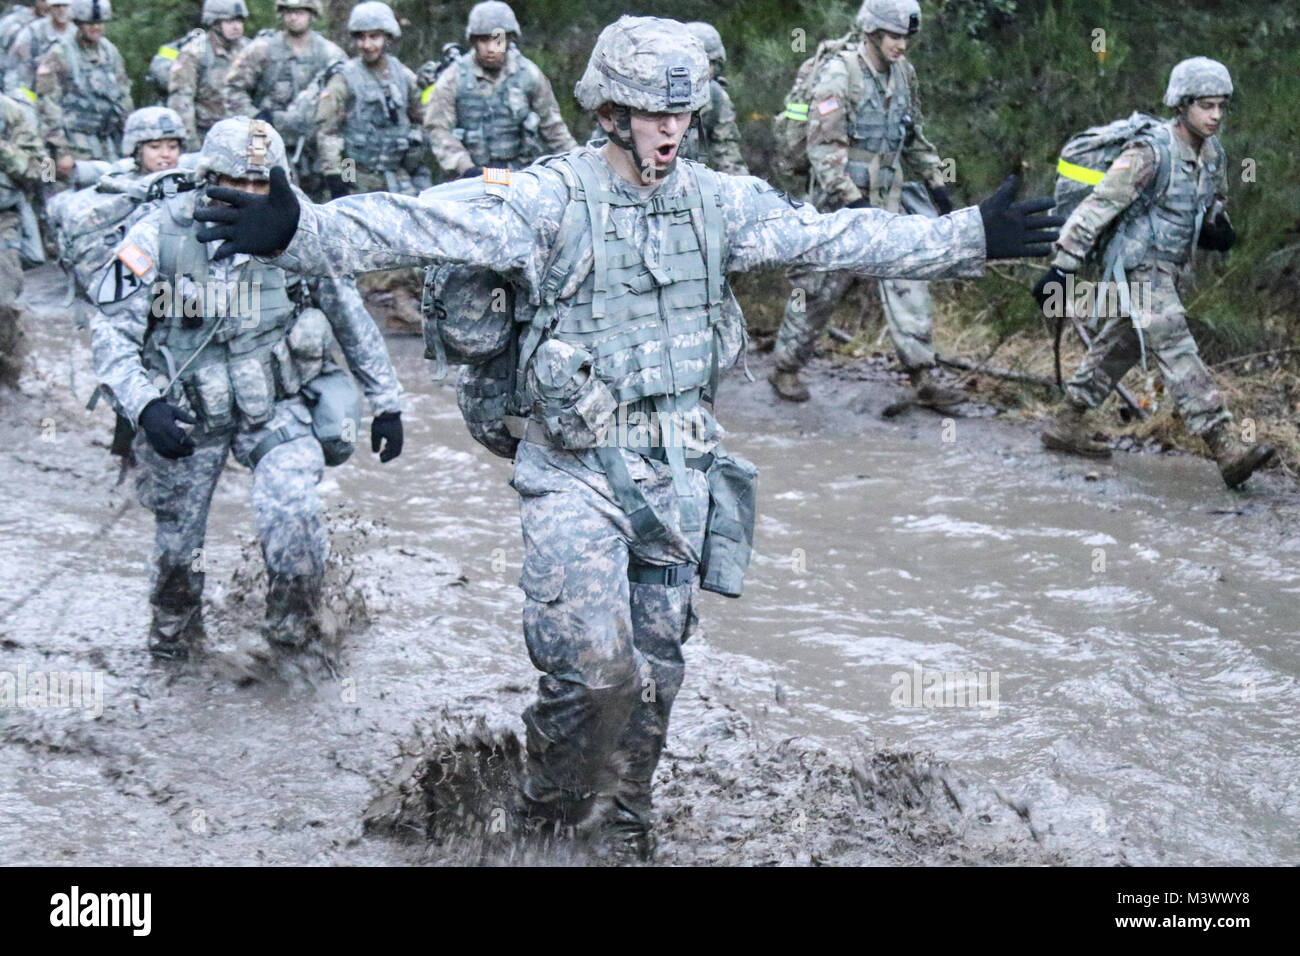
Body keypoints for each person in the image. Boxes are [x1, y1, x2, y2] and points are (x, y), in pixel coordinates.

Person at [193, 16, 1059, 857]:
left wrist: (966, 236)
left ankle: (622, 829)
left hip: (679, 470)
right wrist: (300, 229)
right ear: (610, 112)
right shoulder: (544, 201)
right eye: (653, 113)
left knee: (654, 679)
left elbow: (832, 232)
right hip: (572, 468)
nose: (671, 131)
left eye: (682, 114)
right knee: (592, 672)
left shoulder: (720, 204)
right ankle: (546, 815)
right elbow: (415, 220)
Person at [89, 117, 405, 663]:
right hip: (187, 416)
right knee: (177, 553)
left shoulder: (298, 229)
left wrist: (387, 403)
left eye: (264, 184)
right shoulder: (157, 233)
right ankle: (174, 648)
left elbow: (350, 316)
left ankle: (290, 643)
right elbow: (109, 331)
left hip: (274, 406)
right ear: (208, 176)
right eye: (239, 183)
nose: (253, 196)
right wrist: (146, 407)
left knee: (294, 517)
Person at [1035, 57, 1274, 489]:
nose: (1215, 115)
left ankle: (1066, 422)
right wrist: (1062, 266)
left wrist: (1218, 231)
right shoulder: (1148, 152)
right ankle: (1225, 446)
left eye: (1221, 106)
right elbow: (1099, 205)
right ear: (1182, 105)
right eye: (1206, 105)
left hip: (1170, 272)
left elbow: (1211, 207)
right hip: (1138, 272)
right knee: (1178, 349)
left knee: (1120, 347)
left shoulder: (1213, 154)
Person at [768, 0, 959, 407]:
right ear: (872, 33)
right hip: (842, 204)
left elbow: (914, 136)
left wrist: (936, 182)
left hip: (889, 201)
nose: (901, 46)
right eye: (893, 37)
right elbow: (822, 148)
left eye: (906, 37)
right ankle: (785, 366)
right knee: (819, 289)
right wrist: (851, 202)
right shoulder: (840, 75)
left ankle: (923, 374)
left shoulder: (904, 75)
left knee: (908, 280)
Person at [421, 0, 575, 178]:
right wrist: (465, 166)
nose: (491, 48)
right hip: (469, 176)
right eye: (483, 40)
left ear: (509, 39)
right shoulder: (453, 78)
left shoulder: (528, 74)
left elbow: (553, 127)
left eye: (498, 40)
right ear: (474, 41)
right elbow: (438, 129)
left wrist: (577, 161)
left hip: (519, 174)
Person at [223, 0, 344, 196]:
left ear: (312, 13)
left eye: (299, 12)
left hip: (316, 149)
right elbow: (233, 90)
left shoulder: (331, 54)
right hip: (267, 144)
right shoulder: (262, 49)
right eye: (288, 11)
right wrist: (256, 117)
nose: (293, 17)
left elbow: (344, 105)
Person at [316, 0, 423, 197]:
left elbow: (420, 117)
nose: (367, 45)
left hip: (397, 175)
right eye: (361, 38)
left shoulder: (403, 75)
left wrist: (412, 151)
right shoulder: (344, 78)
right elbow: (329, 132)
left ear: (387, 37)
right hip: (356, 174)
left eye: (374, 37)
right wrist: (339, 179)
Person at [34, 0, 131, 169]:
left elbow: (123, 94)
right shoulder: (59, 54)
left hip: (109, 143)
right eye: (90, 23)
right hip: (74, 144)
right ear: (78, 23)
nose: (96, 28)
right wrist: (62, 152)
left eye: (100, 23)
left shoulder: (110, 51)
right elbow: (48, 105)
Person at [0, 90, 45, 387]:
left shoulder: (12, 112)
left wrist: (3, 149)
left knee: (2, 302)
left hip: (3, 221)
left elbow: (40, 169)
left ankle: (9, 377)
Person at [166, 0, 249, 151]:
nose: (236, 26)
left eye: (239, 20)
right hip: (208, 135)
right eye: (229, 21)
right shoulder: (194, 52)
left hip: (245, 134)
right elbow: (181, 100)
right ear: (215, 23)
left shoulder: (249, 49)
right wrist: (190, 143)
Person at [679, 21, 748, 175]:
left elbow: (727, 154)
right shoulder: (654, 97)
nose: (702, 71)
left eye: (709, 63)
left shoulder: (716, 97)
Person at [3, 0, 68, 103]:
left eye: (64, 6)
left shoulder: (70, 31)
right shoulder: (19, 25)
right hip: (21, 91)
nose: (47, 5)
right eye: (43, 1)